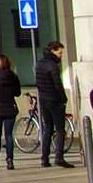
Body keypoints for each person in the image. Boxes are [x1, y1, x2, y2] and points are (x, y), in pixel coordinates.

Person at [36, 39, 74, 167]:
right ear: (53, 51)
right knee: (60, 130)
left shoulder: (40, 64)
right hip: (54, 100)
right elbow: (58, 85)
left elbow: (39, 83)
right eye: (60, 53)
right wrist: (63, 99)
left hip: (43, 100)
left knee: (47, 129)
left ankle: (44, 159)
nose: (61, 55)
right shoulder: (53, 66)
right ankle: (59, 157)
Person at [0, 53, 21, 169]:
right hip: (10, 108)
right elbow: (18, 93)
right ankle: (10, 160)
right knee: (9, 135)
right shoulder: (13, 76)